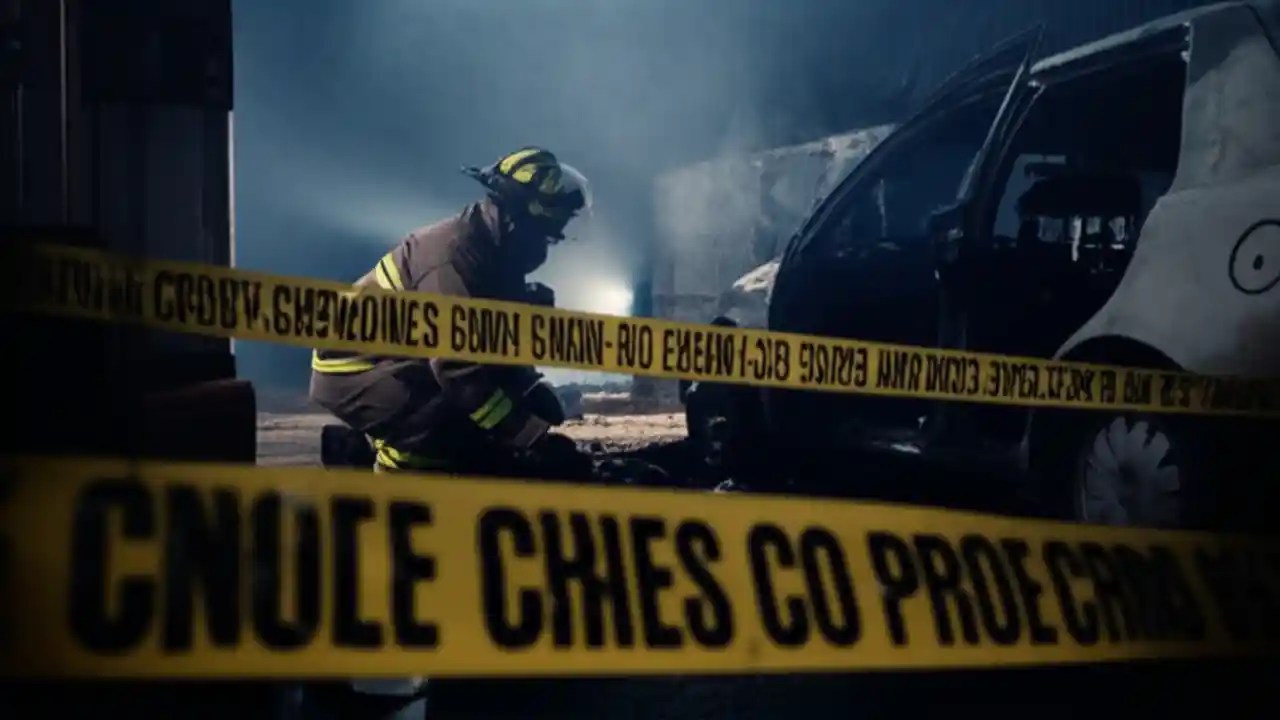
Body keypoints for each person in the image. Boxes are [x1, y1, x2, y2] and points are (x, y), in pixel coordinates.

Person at [309, 146, 595, 479]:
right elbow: (458, 367)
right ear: (518, 218)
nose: (551, 243)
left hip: (404, 359)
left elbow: (496, 333)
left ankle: (360, 447)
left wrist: (528, 386)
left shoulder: (495, 250)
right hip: (355, 369)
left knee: (484, 428)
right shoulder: (453, 261)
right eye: (547, 233)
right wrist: (529, 437)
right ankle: (397, 488)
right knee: (447, 432)